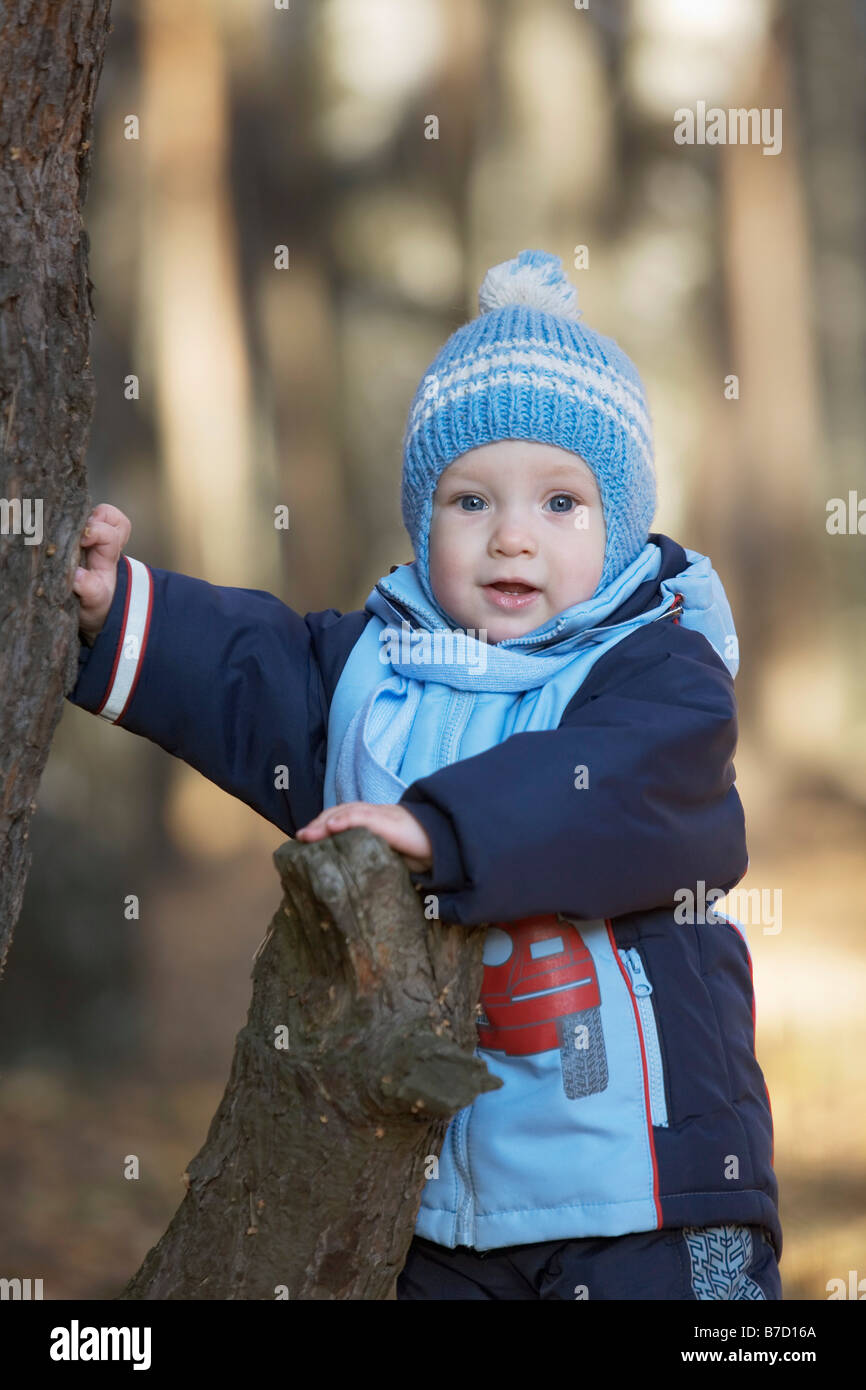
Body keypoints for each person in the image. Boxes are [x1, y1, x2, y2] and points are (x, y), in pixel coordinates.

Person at [69, 248, 782, 1300]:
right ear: (423, 518)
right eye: (467, 501)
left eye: (559, 503)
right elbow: (247, 670)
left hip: (655, 1195)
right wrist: (119, 608)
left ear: (619, 522)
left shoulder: (655, 670)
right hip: (439, 1202)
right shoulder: (375, 668)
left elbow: (614, 786)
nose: (509, 537)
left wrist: (443, 830)